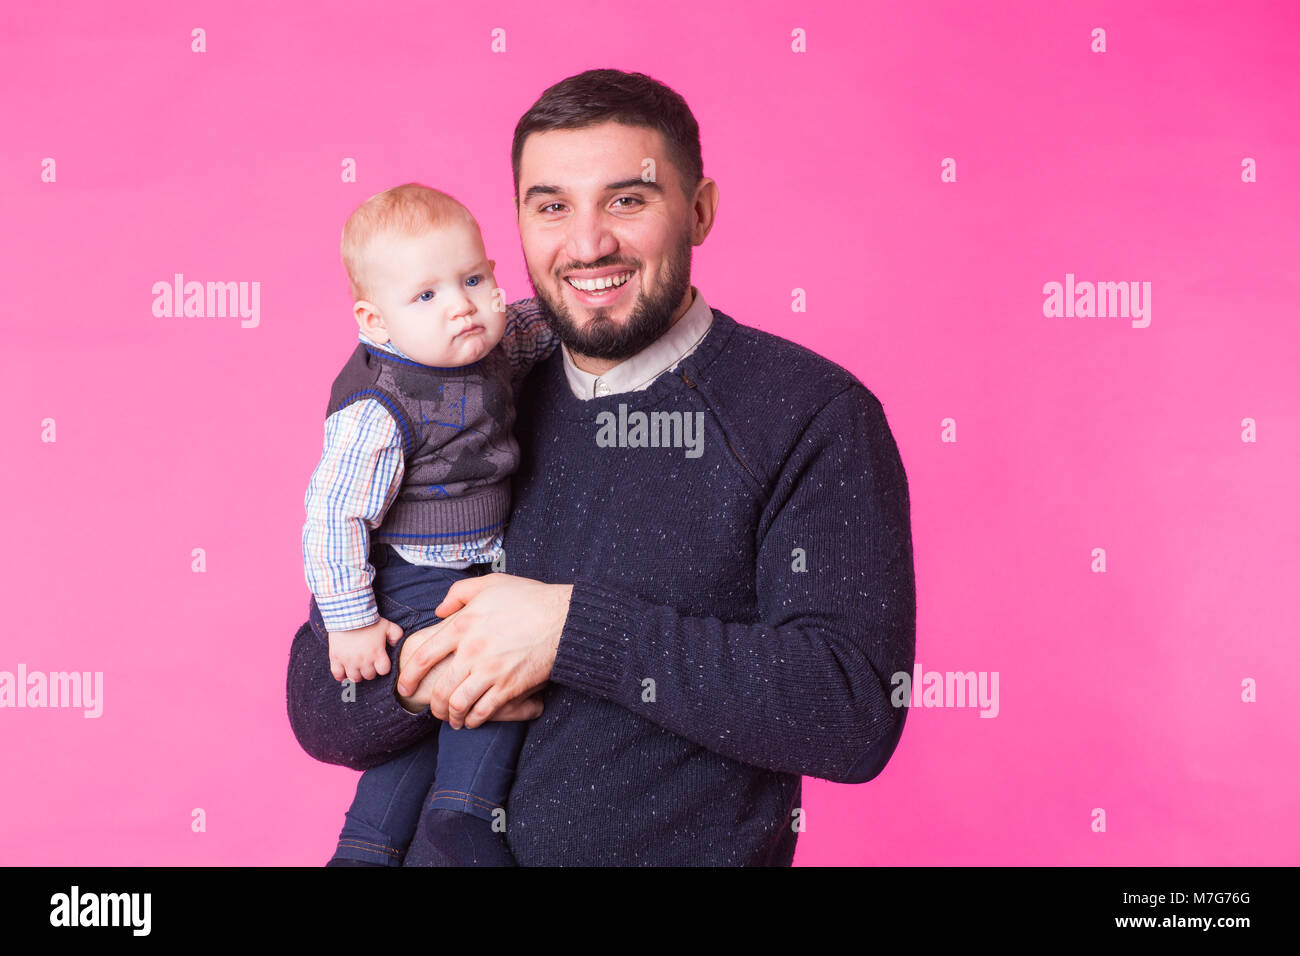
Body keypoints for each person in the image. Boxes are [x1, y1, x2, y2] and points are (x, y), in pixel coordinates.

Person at [287, 68, 917, 866]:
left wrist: (569, 630)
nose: (587, 244)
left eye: (628, 199)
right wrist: (415, 675)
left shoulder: (808, 414)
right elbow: (318, 700)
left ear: (699, 210)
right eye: (551, 206)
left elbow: (851, 710)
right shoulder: (470, 392)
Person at [301, 182, 557, 865]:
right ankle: (466, 813)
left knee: (419, 722)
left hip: (469, 558)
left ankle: (366, 847)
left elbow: (537, 326)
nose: (462, 306)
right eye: (426, 296)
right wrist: (351, 619)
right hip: (403, 575)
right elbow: (332, 514)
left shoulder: (487, 342)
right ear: (375, 321)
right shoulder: (379, 406)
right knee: (483, 665)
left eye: (474, 278)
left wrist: (574, 306)